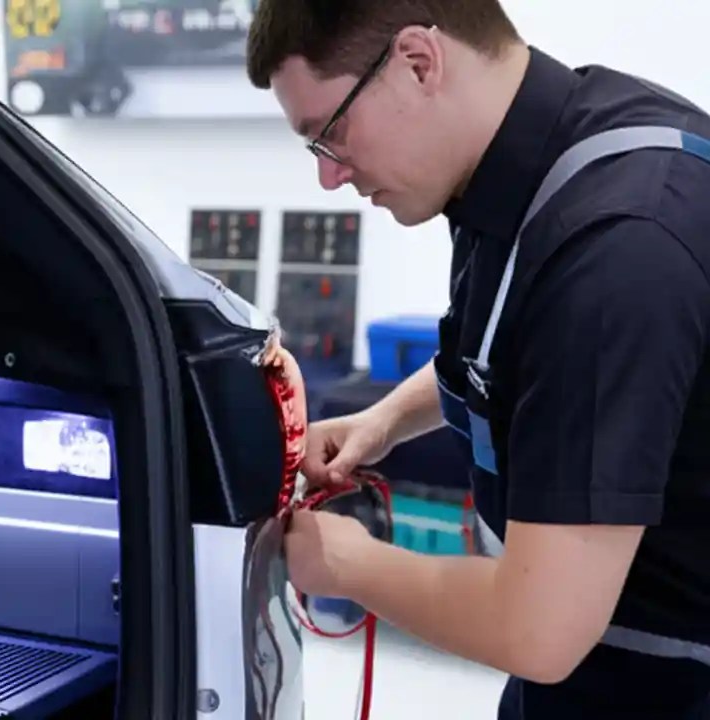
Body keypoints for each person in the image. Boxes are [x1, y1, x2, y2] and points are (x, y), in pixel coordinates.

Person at [248, 1, 710, 717]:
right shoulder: (531, 161)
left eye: (330, 134)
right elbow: (528, 350)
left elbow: (540, 630)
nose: (330, 178)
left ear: (417, 61)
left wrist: (347, 563)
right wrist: (383, 421)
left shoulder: (620, 248)